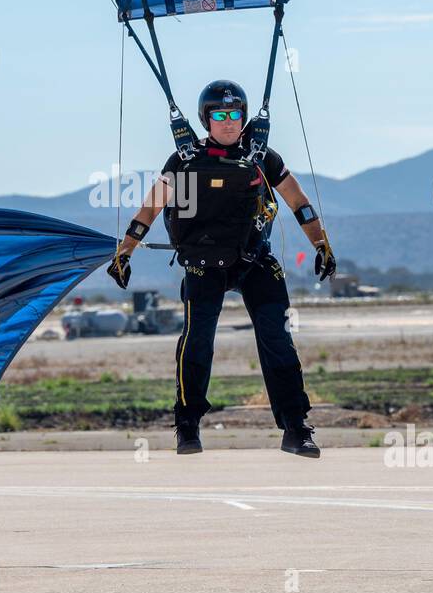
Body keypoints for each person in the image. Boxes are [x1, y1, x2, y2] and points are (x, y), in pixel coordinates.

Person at [107, 79, 336, 457]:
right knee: (197, 340)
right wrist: (125, 251)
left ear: (245, 117)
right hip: (203, 264)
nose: (229, 122)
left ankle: (296, 428)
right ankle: (187, 426)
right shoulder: (183, 160)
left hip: (254, 260)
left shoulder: (263, 156)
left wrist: (321, 244)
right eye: (220, 115)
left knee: (278, 339)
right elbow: (149, 209)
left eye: (235, 114)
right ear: (206, 119)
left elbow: (299, 203)